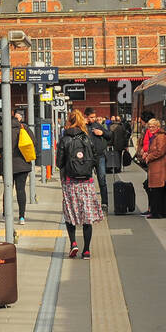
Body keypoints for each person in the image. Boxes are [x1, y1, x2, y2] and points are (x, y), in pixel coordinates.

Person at [57, 110, 105, 258]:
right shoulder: (87, 138)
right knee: (87, 216)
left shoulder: (64, 139)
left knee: (70, 213)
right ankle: (87, 251)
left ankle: (73, 244)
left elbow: (59, 162)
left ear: (69, 121)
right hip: (86, 182)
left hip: (70, 183)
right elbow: (95, 158)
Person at [0, 111, 37, 224]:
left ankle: (5, 214)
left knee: (7, 189)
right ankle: (21, 217)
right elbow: (34, 142)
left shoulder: (2, 129)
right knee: (21, 190)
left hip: (7, 165)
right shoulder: (24, 128)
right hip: (22, 164)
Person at [137, 117, 166, 218]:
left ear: (158, 127)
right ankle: (165, 212)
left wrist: (149, 156)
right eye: (149, 127)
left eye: (153, 126)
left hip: (160, 169)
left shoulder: (161, 137)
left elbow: (160, 151)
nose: (151, 128)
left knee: (157, 191)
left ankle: (157, 213)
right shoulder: (155, 136)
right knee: (159, 191)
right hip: (156, 168)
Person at [83, 108, 112, 212]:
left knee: (102, 180)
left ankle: (104, 203)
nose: (93, 119)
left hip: (100, 156)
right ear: (85, 116)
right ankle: (89, 203)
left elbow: (109, 135)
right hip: (88, 157)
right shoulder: (82, 127)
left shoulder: (97, 125)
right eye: (91, 117)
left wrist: (102, 133)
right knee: (87, 181)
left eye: (94, 117)